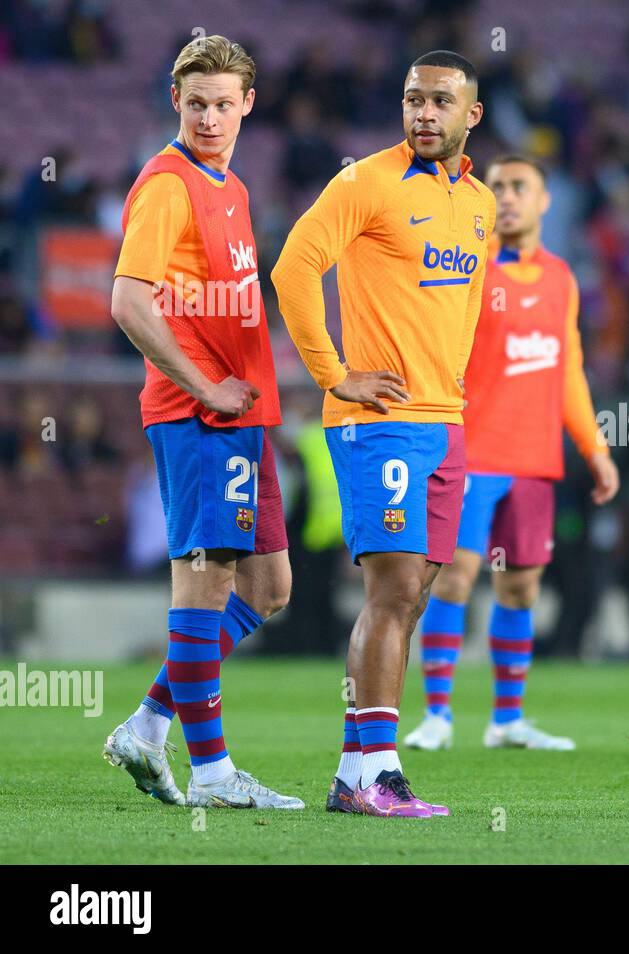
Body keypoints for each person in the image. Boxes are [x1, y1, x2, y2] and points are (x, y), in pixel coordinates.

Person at [272, 50, 494, 818]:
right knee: (394, 589)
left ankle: (352, 771)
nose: (424, 114)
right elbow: (294, 267)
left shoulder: (481, 206)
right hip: (381, 421)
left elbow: (459, 314)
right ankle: (378, 774)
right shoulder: (364, 181)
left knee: (417, 593)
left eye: (439, 101)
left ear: (474, 116)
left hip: (445, 422)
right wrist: (333, 373)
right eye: (411, 100)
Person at [103, 35, 299, 809]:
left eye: (223, 104)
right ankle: (214, 774)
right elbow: (128, 300)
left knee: (270, 584)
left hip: (246, 413)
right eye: (196, 104)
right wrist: (202, 385)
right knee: (210, 578)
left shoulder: (234, 187)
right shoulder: (167, 184)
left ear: (248, 103)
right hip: (197, 413)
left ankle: (149, 725)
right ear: (174, 102)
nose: (210, 118)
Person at [404, 154, 618, 752]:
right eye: (498, 187)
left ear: (546, 200)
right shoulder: (467, 269)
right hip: (470, 452)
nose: (509, 196)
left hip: (534, 458)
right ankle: (438, 716)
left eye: (521, 186)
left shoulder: (561, 278)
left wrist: (594, 448)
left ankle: (507, 720)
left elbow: (568, 369)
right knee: (452, 580)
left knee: (521, 588)